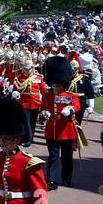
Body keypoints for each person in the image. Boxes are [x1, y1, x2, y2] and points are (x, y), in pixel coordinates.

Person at [40, 55, 81, 189]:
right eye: (53, 84)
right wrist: (44, 113)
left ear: (63, 83)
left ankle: (67, 179)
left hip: (67, 131)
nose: (55, 86)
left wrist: (70, 109)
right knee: (53, 157)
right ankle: (51, 180)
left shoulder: (70, 95)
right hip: (52, 131)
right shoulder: (47, 95)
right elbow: (43, 107)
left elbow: (77, 105)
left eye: (57, 84)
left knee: (67, 158)